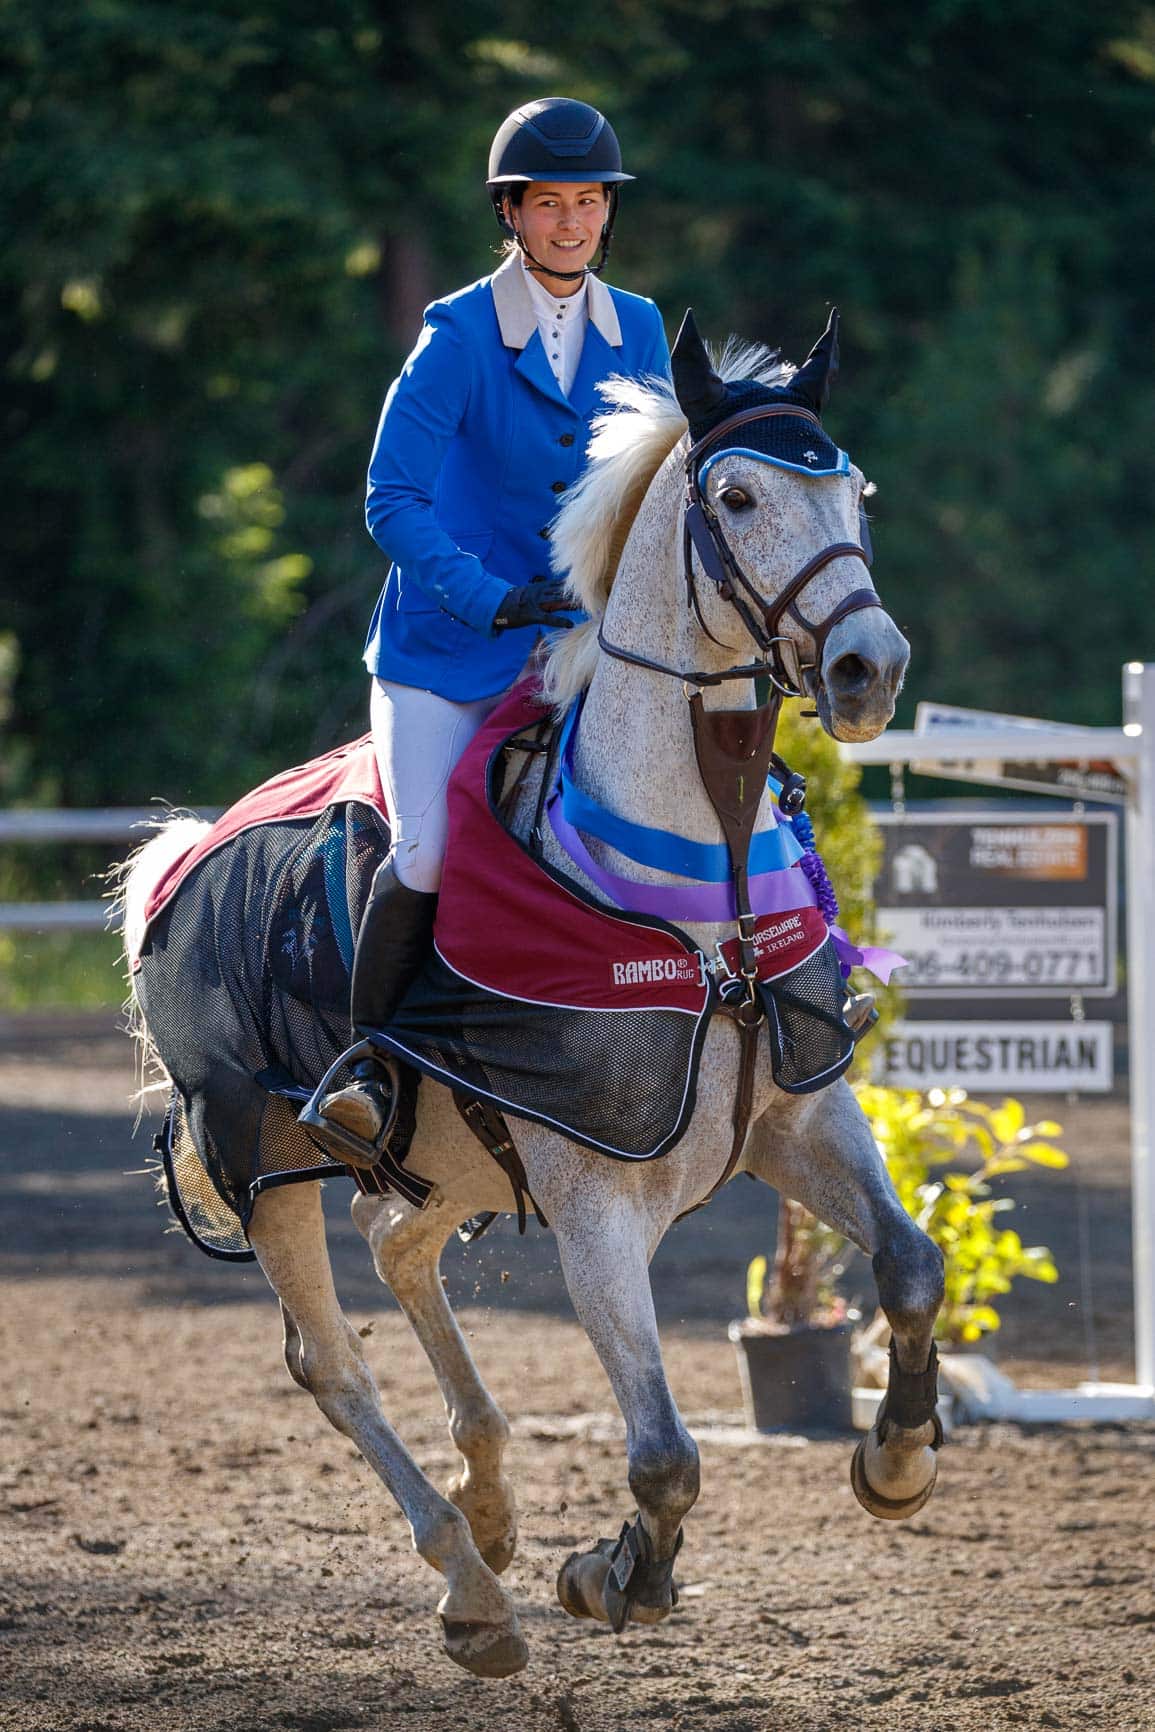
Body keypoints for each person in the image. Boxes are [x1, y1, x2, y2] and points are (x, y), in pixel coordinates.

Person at [315, 97, 671, 1160]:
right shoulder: (460, 333)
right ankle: (369, 1068)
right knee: (426, 850)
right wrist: (487, 594)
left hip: (574, 650)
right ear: (511, 214)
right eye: (548, 204)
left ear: (608, 213)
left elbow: (654, 490)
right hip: (448, 649)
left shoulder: (641, 327)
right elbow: (390, 499)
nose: (571, 223)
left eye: (588, 204)